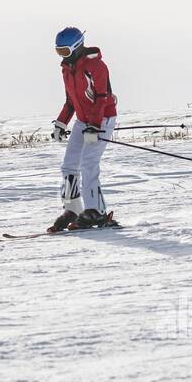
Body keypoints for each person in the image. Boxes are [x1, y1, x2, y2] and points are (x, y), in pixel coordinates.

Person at [48, 27, 119, 231]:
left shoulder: (95, 66)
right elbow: (71, 101)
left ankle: (96, 211)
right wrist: (61, 123)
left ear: (76, 47)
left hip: (103, 118)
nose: (61, 56)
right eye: (58, 52)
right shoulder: (66, 69)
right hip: (82, 120)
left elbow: (102, 98)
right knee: (68, 165)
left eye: (65, 52)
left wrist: (94, 127)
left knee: (88, 163)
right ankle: (73, 208)